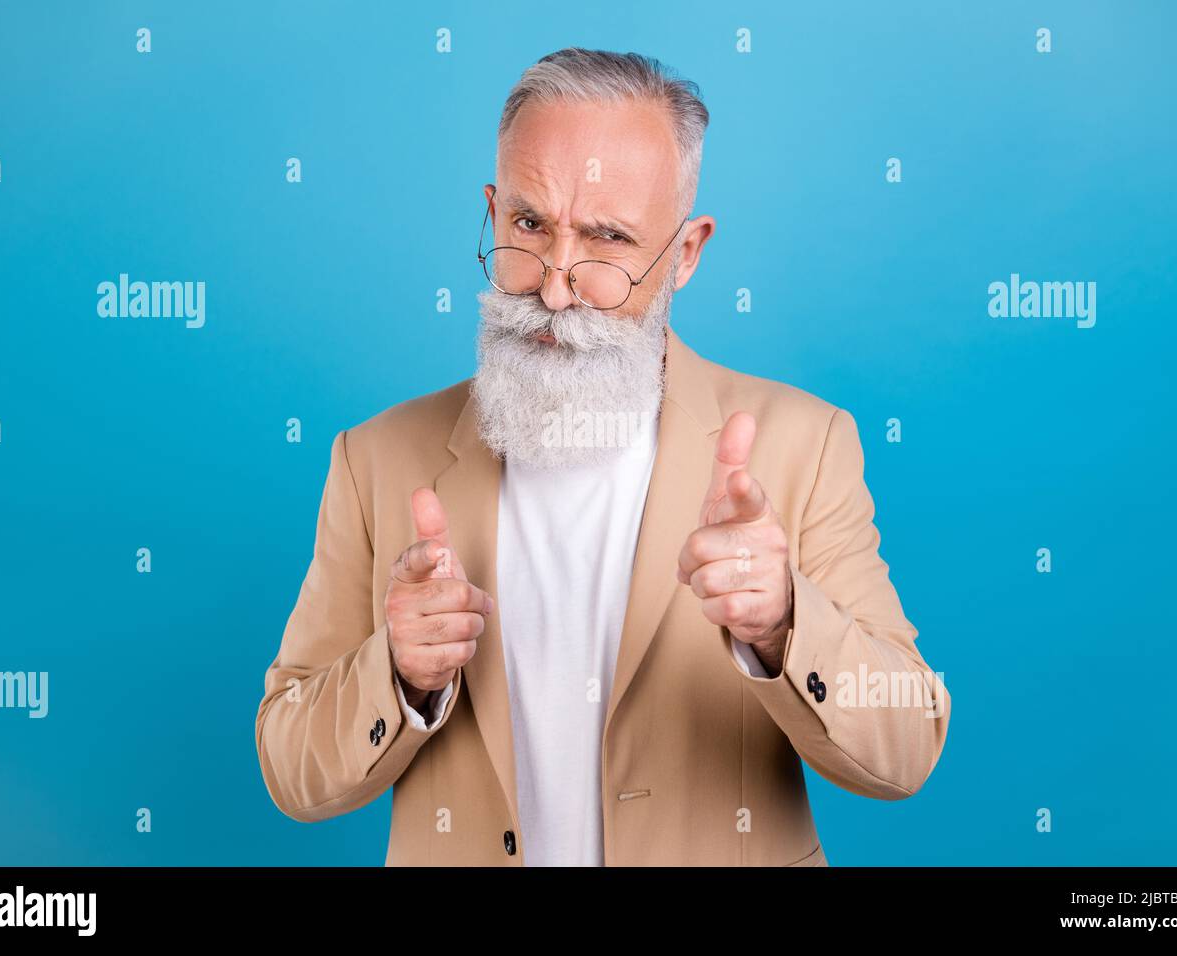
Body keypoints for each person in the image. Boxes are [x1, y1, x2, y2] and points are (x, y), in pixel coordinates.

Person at [255, 47, 951, 866]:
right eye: (527, 225)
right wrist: (399, 676)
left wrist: (785, 622)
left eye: (608, 239)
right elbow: (291, 770)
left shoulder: (805, 444)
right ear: (491, 208)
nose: (554, 288)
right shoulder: (375, 458)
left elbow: (908, 749)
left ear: (686, 254)